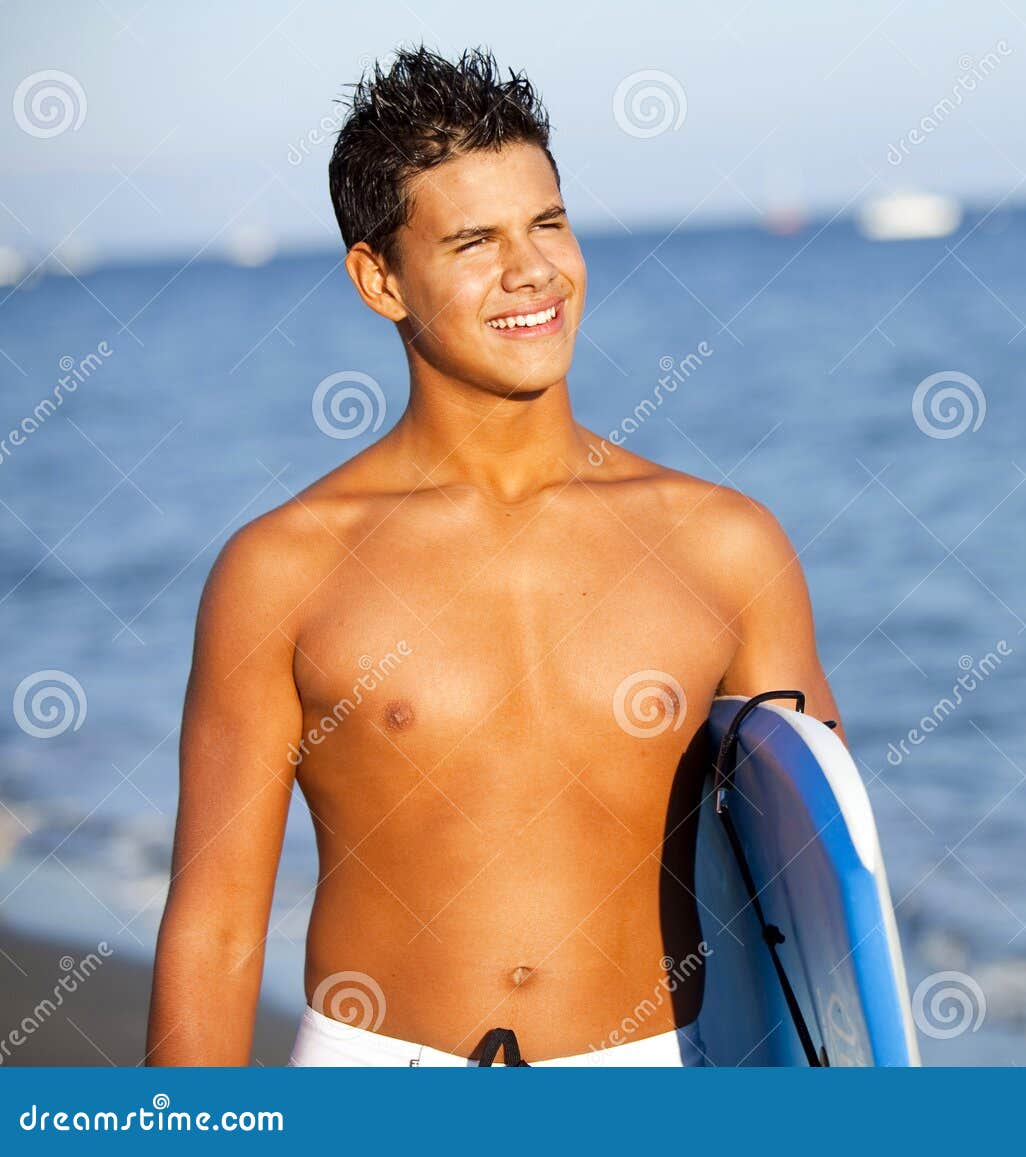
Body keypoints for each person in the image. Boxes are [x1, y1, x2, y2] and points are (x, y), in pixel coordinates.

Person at [145, 44, 843, 1067]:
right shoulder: (283, 567)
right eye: (473, 241)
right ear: (379, 278)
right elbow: (214, 928)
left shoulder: (725, 543)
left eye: (547, 223)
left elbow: (820, 894)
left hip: (655, 1070)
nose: (532, 271)